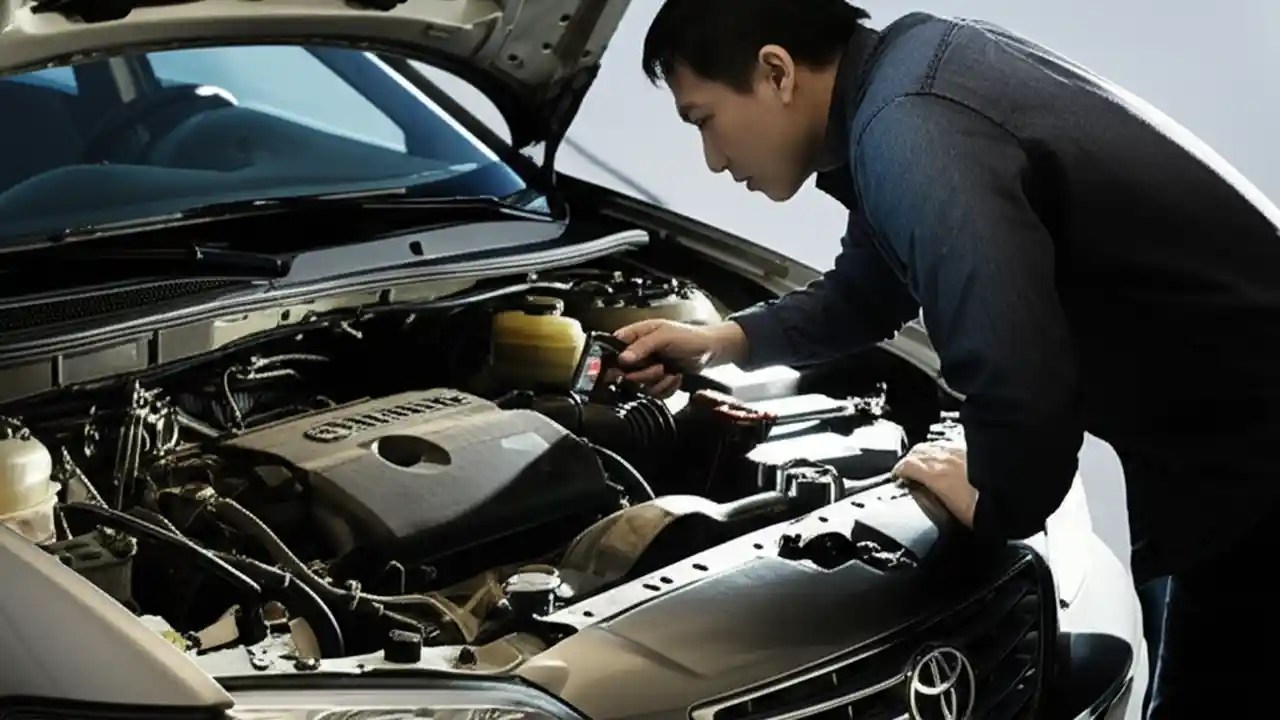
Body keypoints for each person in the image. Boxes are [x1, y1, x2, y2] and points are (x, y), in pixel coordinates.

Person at [611, 1, 1280, 717]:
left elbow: (1017, 380)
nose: (712, 160)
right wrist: (726, 342)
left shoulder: (910, 129)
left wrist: (996, 500)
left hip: (1252, 456)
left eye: (703, 120)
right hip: (1206, 442)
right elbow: (872, 287)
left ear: (776, 72)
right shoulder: (907, 77)